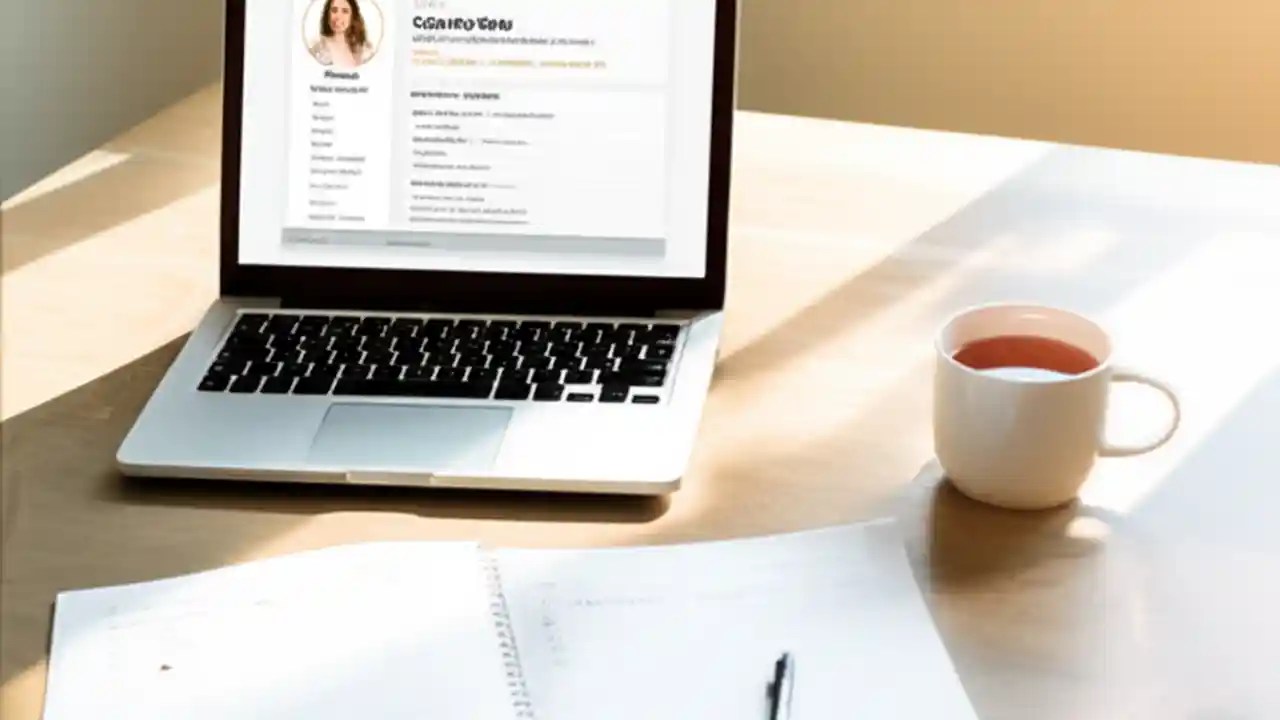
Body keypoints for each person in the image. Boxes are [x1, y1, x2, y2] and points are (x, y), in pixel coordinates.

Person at [311, 0, 374, 69]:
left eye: (345, 11)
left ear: (352, 16)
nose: (338, 16)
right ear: (328, 14)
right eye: (334, 10)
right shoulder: (319, 49)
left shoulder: (364, 48)